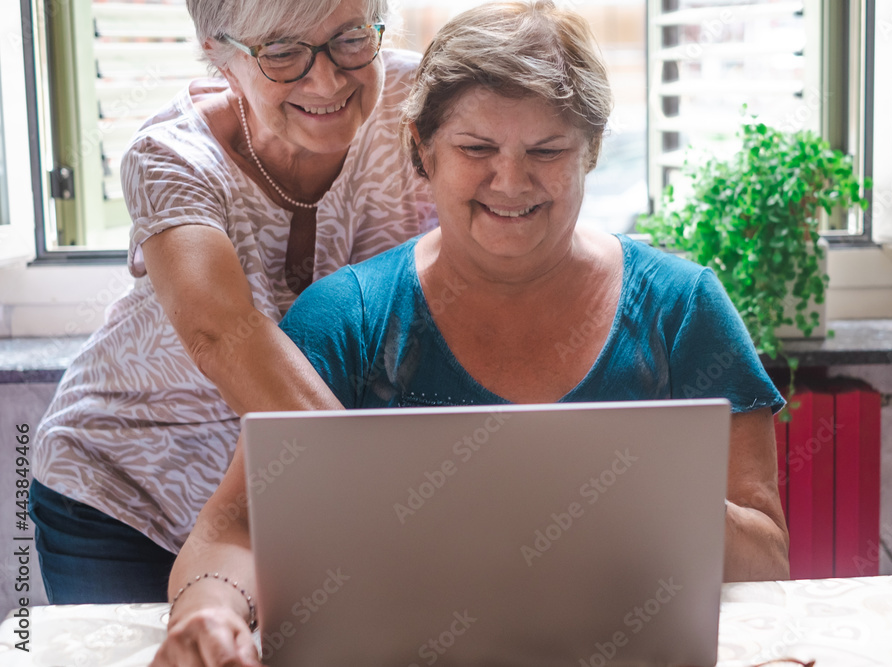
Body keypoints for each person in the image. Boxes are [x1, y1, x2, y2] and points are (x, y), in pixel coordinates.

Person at [153, 2, 789, 664]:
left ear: (591, 152)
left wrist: (660, 504)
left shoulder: (682, 308)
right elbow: (232, 529)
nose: (510, 181)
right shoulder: (348, 317)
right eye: (476, 148)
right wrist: (211, 607)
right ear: (423, 152)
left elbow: (768, 558)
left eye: (546, 150)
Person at [29, 0, 435, 604]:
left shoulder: (423, 101)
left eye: (350, 39)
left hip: (288, 490)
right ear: (219, 54)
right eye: (281, 52)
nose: (325, 81)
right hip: (125, 486)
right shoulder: (170, 156)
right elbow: (221, 333)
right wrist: (390, 518)